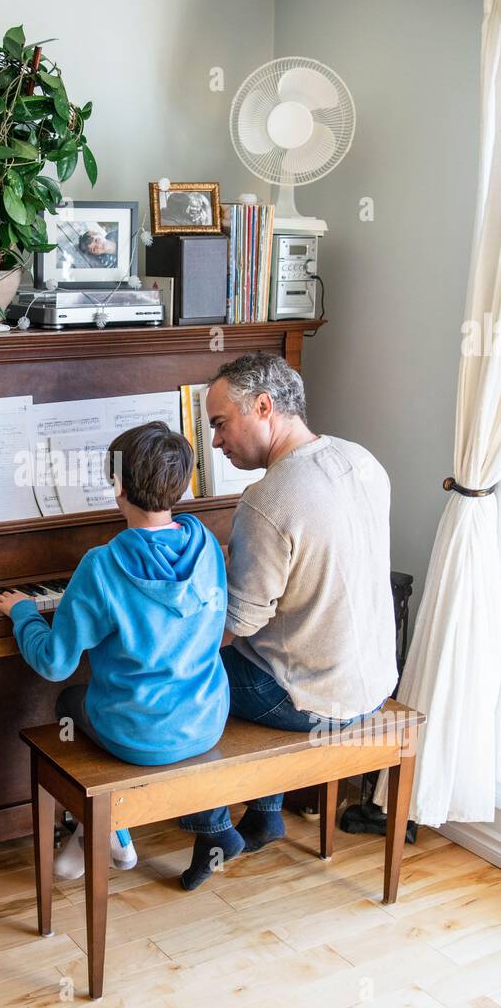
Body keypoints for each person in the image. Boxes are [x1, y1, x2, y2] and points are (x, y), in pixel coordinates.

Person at [179, 352, 399, 891]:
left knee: (181, 679)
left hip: (314, 700)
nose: (215, 442)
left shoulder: (267, 499)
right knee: (274, 648)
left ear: (263, 406)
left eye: (219, 423)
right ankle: (266, 815)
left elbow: (239, 624)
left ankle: (213, 827)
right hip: (372, 681)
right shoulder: (362, 459)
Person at [0, 421, 229, 880]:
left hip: (137, 736)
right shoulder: (208, 545)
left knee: (65, 702)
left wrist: (24, 614)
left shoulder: (101, 564)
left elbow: (55, 663)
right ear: (183, 484)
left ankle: (106, 824)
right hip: (205, 720)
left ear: (115, 485)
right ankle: (94, 829)